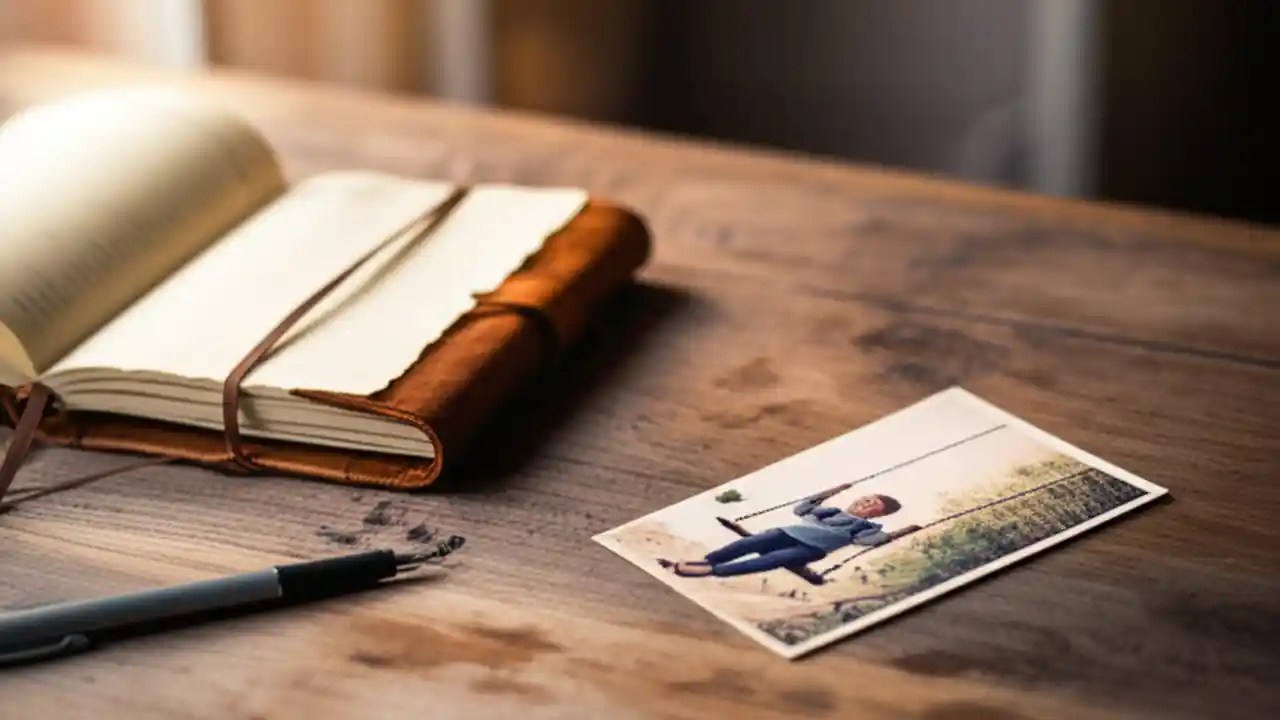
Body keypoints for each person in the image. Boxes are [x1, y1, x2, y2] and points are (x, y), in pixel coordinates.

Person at [659, 483, 921, 578]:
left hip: (811, 549)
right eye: (866, 499)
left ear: (879, 514)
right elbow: (802, 509)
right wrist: (831, 492)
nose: (865, 504)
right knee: (747, 544)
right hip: (787, 533)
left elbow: (868, 542)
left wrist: (898, 533)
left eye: (873, 505)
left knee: (771, 560)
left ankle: (713, 571)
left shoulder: (867, 527)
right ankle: (708, 561)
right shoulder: (831, 511)